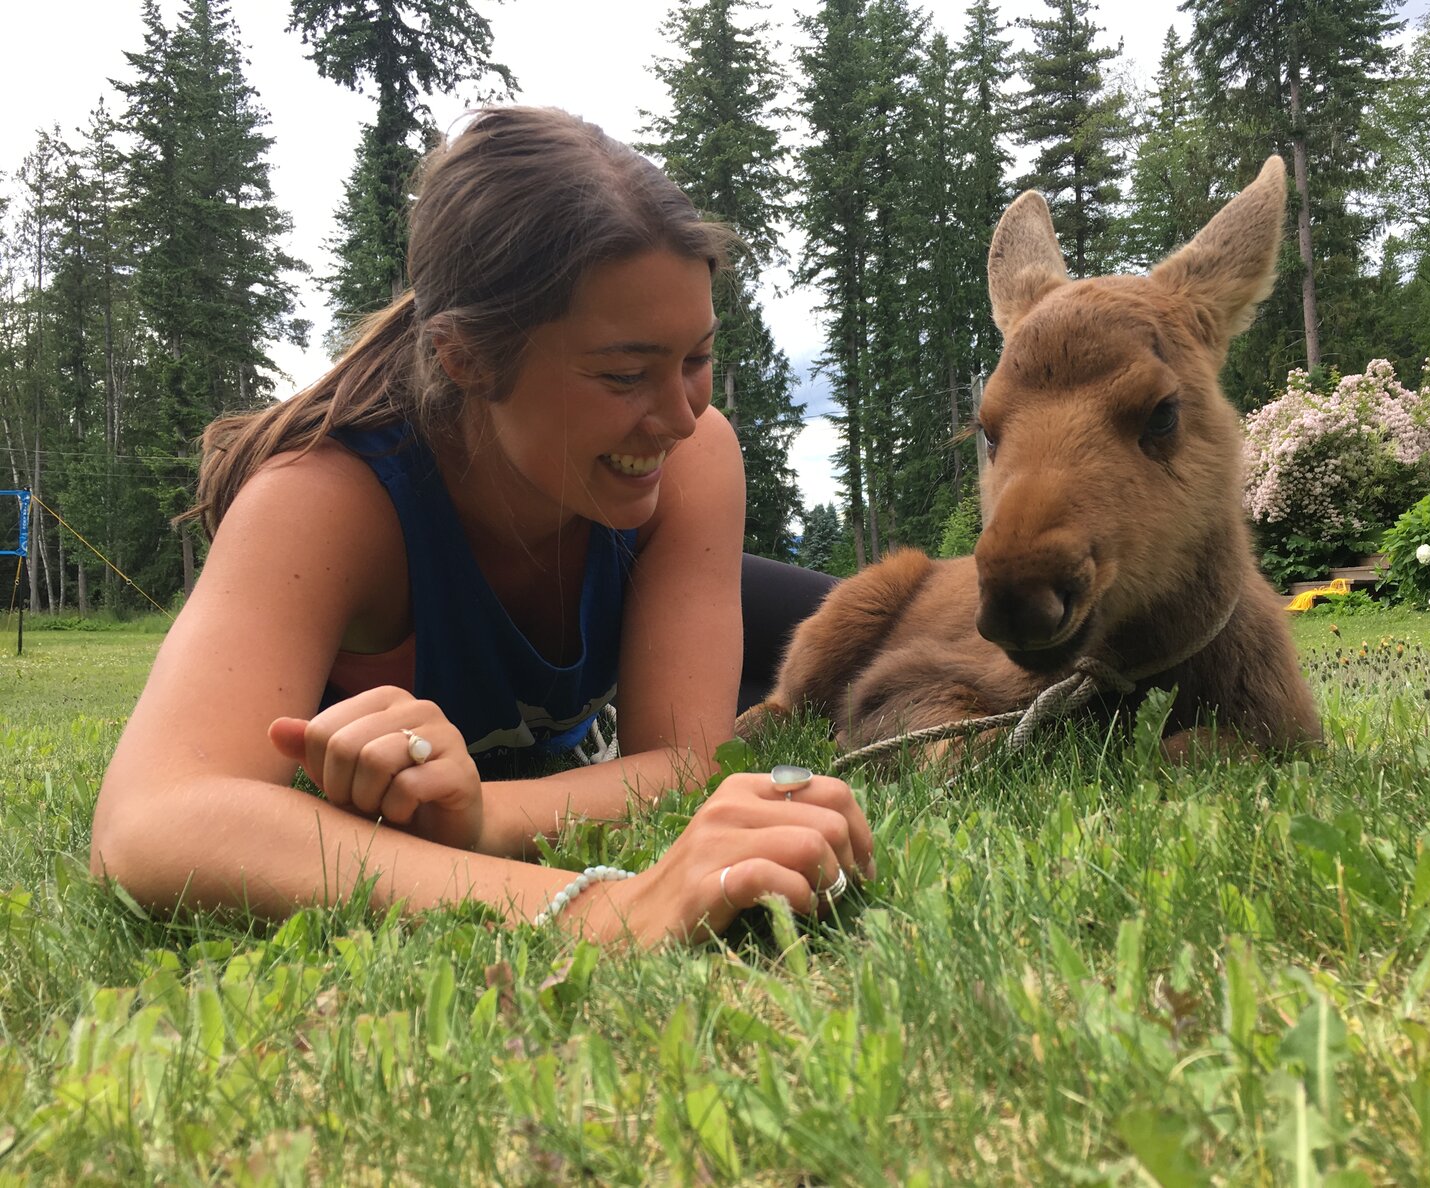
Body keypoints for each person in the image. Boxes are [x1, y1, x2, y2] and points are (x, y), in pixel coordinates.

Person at [89, 106, 873, 947]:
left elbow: (683, 763)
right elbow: (152, 822)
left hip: (710, 593)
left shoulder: (693, 457)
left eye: (696, 360)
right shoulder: (326, 496)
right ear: (463, 357)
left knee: (888, 640)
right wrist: (606, 907)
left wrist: (482, 817)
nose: (680, 416)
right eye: (624, 375)